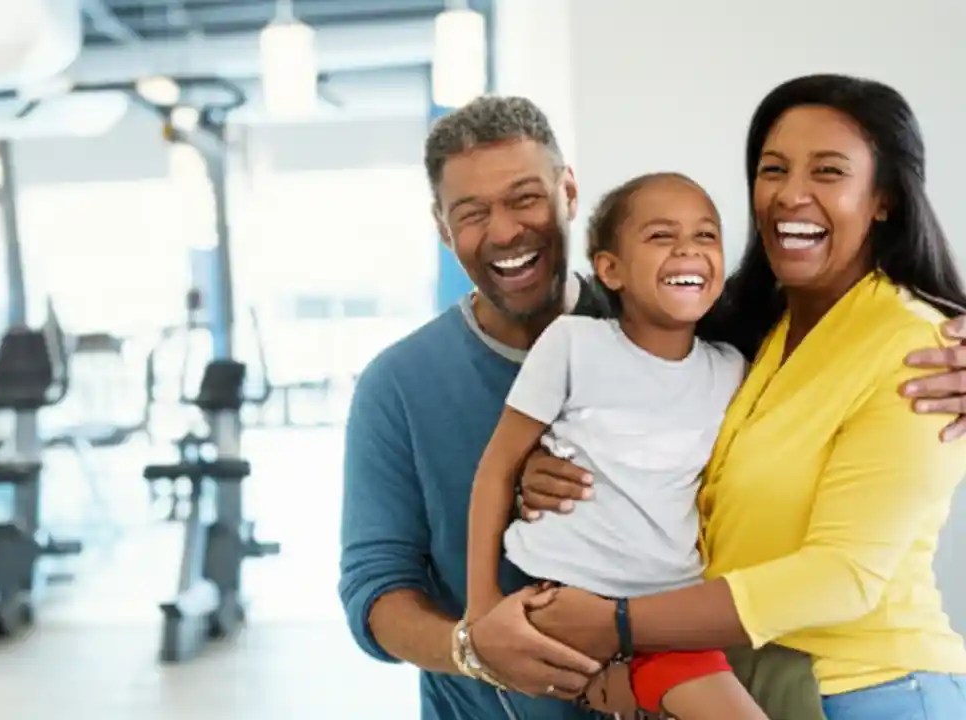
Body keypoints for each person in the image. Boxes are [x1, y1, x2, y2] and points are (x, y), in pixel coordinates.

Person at [338, 91, 966, 720]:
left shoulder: (708, 336)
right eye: (472, 212)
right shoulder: (396, 385)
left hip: (709, 681)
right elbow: (375, 588)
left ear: (568, 193)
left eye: (525, 198)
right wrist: (472, 646)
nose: (505, 230)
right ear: (442, 226)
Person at [465, 172, 766, 719]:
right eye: (660, 236)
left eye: (706, 236)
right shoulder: (573, 344)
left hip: (672, 614)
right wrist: (481, 605)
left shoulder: (732, 371)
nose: (688, 250)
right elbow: (497, 469)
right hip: (567, 606)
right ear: (610, 268)